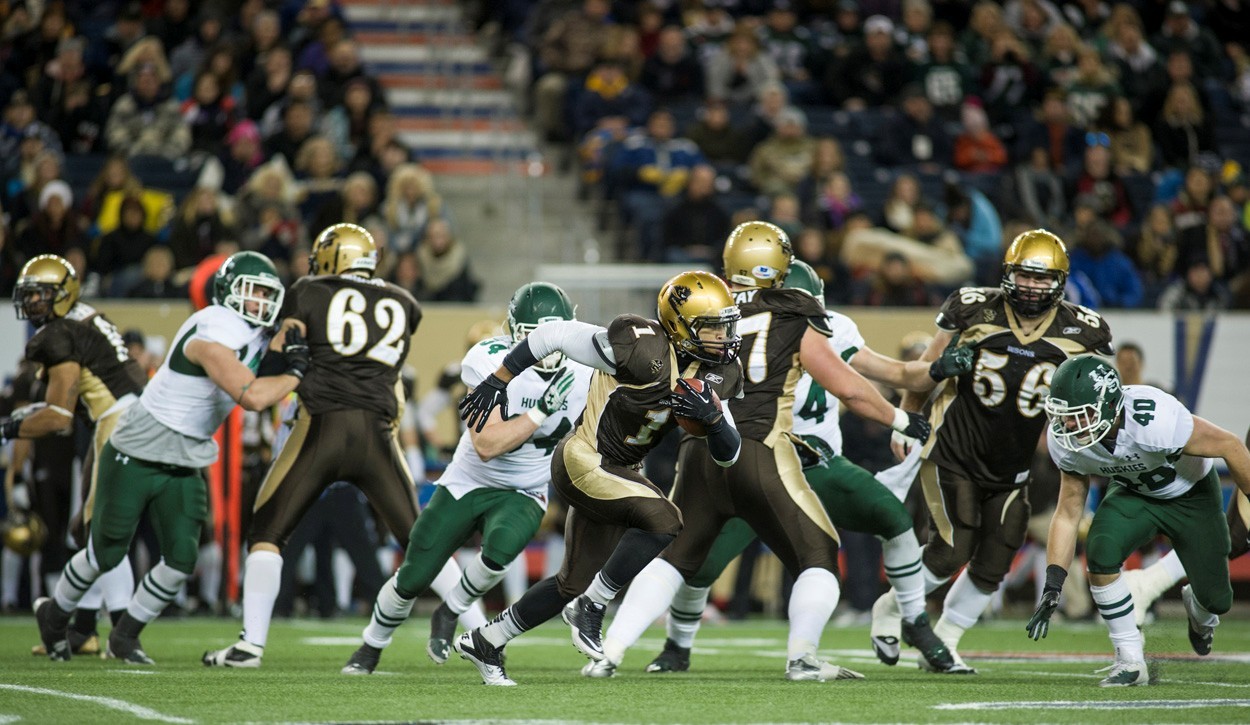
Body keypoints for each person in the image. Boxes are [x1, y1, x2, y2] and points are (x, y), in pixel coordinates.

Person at [583, 260, 973, 677]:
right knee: (816, 554)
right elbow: (851, 387)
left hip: (714, 449)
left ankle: (610, 653)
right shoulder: (794, 319)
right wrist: (899, 418)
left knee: (678, 557)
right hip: (769, 452)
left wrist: (930, 371)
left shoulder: (712, 317)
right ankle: (794, 656)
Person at [453, 270, 746, 686]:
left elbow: (730, 455)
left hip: (618, 474)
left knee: (570, 582)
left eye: (725, 326)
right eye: (713, 327)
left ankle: (487, 640)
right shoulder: (637, 346)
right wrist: (500, 379)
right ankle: (594, 605)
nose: (724, 337)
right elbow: (551, 334)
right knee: (666, 519)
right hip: (583, 459)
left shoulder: (718, 373)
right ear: (681, 325)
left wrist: (715, 421)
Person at [203, 224, 472, 668]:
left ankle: (251, 644)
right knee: (422, 538)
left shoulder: (308, 290)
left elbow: (285, 346)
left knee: (268, 531)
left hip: (322, 424)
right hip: (377, 432)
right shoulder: (404, 301)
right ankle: (481, 630)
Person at [33, 251, 305, 663]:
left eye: (268, 295)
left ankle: (124, 636)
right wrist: (296, 373)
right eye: (253, 294)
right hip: (141, 446)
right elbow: (252, 396)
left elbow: (280, 340)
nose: (261, 304)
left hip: (187, 452)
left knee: (180, 560)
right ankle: (54, 617)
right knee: (105, 552)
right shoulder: (215, 328)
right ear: (229, 293)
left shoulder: (252, 328)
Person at [871, 229, 1115, 674]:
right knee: (951, 547)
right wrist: (908, 415)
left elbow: (1093, 395)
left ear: (1060, 282)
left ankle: (946, 639)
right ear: (1008, 273)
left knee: (998, 553)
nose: (1032, 287)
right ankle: (889, 610)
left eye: (1043, 279)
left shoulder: (1083, 331)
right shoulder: (973, 308)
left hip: (1015, 464)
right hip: (954, 450)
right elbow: (924, 369)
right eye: (1024, 275)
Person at [339, 283, 594, 675]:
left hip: (525, 486)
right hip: (470, 479)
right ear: (514, 333)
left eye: (555, 334)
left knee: (502, 548)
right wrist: (541, 411)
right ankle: (372, 645)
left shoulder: (587, 363)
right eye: (535, 337)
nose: (549, 348)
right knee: (413, 575)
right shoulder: (490, 359)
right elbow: (487, 444)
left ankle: (451, 610)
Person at [1025, 356, 1250, 686]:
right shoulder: (1069, 442)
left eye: (1081, 415)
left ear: (1109, 405)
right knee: (1101, 548)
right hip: (1134, 494)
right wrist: (1053, 584)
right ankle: (1130, 660)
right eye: (1065, 416)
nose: (1070, 427)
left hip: (1191, 496)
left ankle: (1198, 610)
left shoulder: (1154, 418)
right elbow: (1068, 512)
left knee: (1217, 600)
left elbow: (1230, 445)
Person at [4, 255, 144, 656]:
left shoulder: (58, 334)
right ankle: (83, 630)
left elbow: (58, 417)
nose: (32, 305)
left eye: (40, 296)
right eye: (28, 297)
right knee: (87, 530)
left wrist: (7, 429)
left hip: (117, 422)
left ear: (62, 296)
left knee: (103, 531)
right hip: (135, 416)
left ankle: (121, 631)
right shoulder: (89, 317)